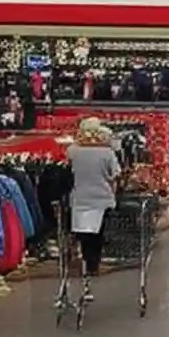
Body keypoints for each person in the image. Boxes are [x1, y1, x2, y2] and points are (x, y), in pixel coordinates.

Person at [68, 117, 121, 301]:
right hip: (102, 199)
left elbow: (69, 173)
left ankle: (85, 260)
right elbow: (115, 176)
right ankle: (94, 264)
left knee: (83, 231)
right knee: (98, 232)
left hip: (80, 198)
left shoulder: (73, 151)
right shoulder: (107, 153)